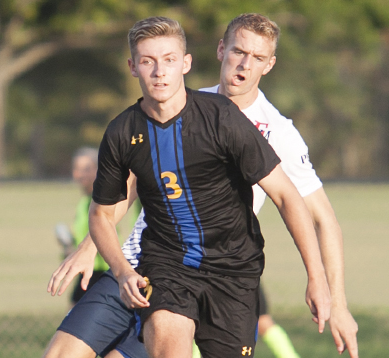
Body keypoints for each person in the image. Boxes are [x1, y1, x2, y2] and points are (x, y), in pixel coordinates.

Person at [44, 13, 359, 358]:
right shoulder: (181, 99)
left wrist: (337, 301)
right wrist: (92, 247)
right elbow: (129, 181)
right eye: (239, 51)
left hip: (221, 269)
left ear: (269, 66)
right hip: (153, 260)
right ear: (222, 49)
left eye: (257, 58)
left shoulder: (279, 134)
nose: (244, 65)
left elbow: (323, 219)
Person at [64, 147, 112, 305]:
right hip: (86, 268)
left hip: (101, 269)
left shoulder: (102, 200)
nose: (80, 174)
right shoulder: (84, 201)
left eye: (86, 169)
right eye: (77, 169)